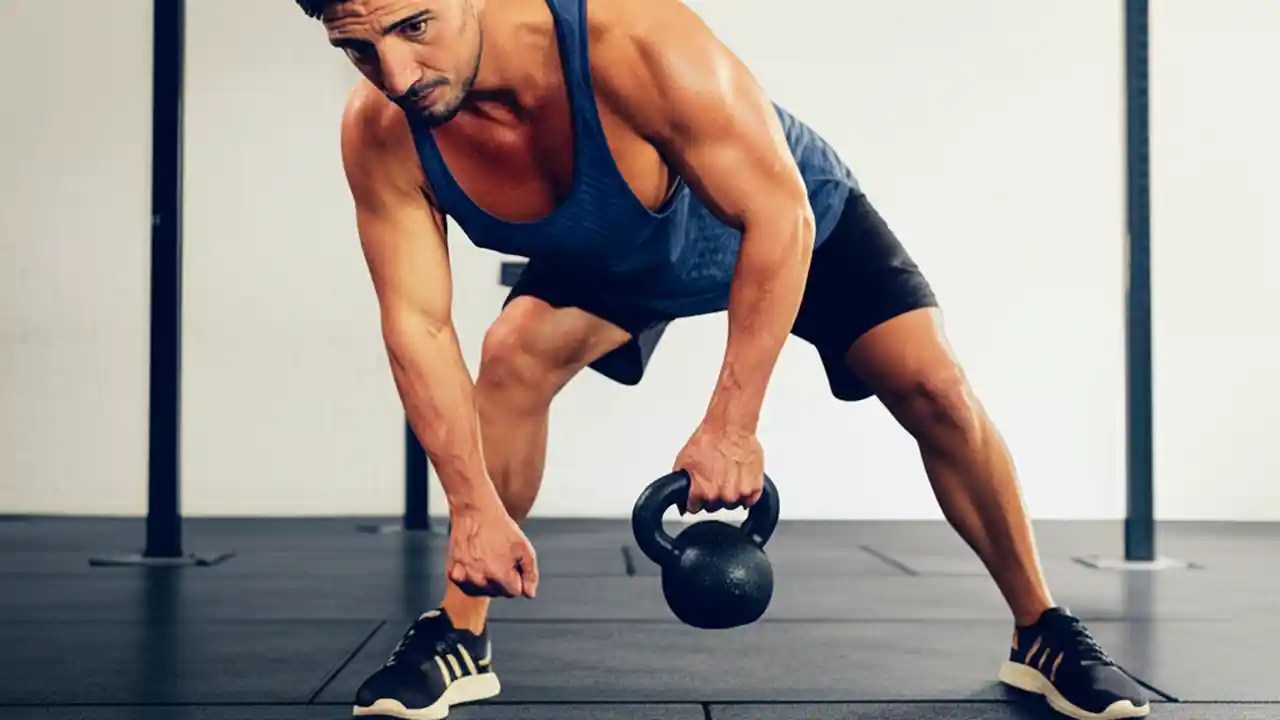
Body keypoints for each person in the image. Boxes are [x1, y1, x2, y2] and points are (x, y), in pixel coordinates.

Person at [295, 0, 1151, 718]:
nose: (398, 74)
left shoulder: (633, 41)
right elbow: (418, 325)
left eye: (413, 25)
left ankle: (1039, 626)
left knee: (933, 385)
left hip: (780, 224)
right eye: (358, 49)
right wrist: (472, 503)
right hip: (616, 253)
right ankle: (460, 634)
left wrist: (732, 425)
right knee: (512, 353)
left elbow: (779, 219)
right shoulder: (383, 132)